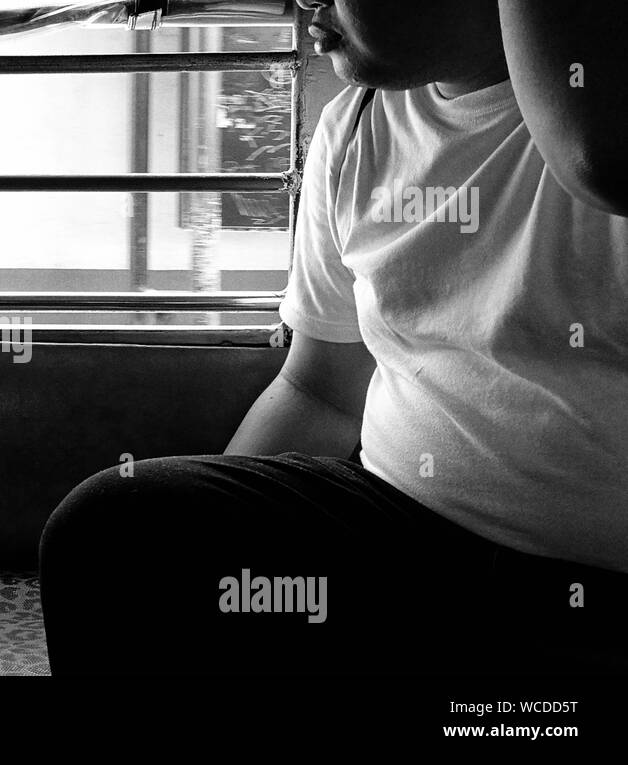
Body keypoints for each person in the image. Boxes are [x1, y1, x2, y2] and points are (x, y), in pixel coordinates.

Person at [39, 0, 628, 675]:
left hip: (594, 589)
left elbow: (597, 154)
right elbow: (320, 392)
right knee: (112, 530)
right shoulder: (352, 130)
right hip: (393, 543)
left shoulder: (603, 138)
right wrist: (223, 549)